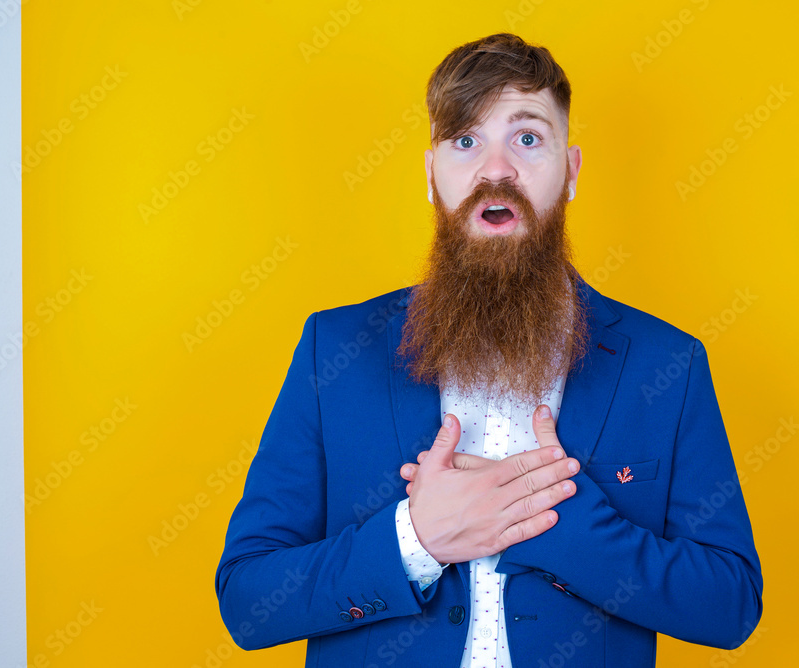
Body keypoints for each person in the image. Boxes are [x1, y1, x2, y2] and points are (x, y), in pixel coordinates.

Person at [215, 32, 763, 667]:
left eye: (527, 138)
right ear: (431, 175)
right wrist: (414, 540)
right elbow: (248, 602)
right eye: (465, 140)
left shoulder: (668, 363)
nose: (496, 169)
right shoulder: (331, 350)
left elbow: (730, 605)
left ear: (572, 171)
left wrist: (565, 525)